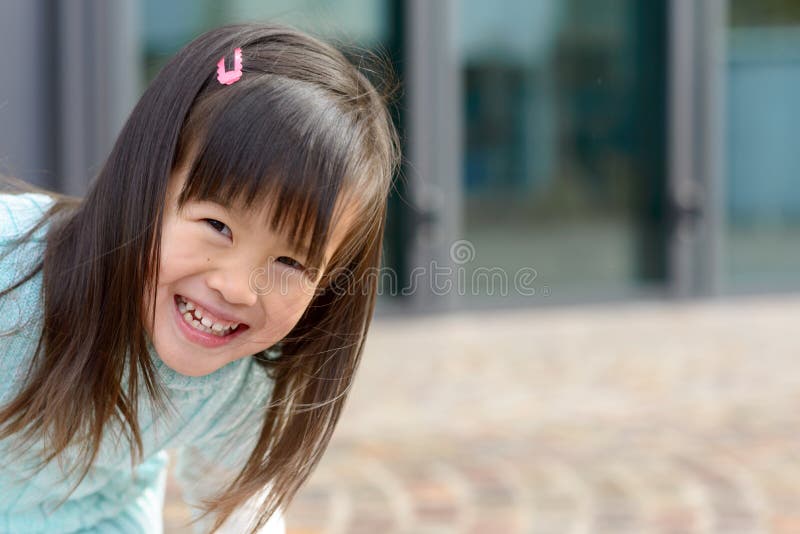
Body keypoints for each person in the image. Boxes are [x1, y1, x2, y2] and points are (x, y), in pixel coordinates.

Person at [0, 21, 401, 534]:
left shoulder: (237, 383)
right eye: (217, 225)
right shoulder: (16, 273)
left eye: (290, 263)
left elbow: (240, 510)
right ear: (146, 182)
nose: (236, 287)